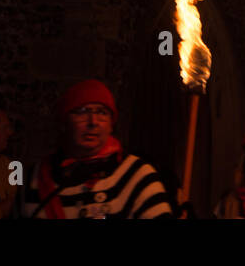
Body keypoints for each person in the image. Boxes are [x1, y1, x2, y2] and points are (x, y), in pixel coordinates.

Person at [23, 79, 173, 219]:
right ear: (64, 122)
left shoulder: (138, 176)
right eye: (81, 111)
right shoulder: (35, 178)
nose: (93, 122)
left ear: (111, 125)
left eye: (102, 112)